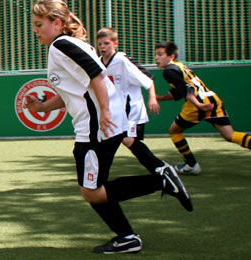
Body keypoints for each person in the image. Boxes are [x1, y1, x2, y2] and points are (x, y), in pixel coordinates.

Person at [25, 1, 192, 254]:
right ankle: (128, 236)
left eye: (39, 24)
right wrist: (42, 107)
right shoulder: (69, 45)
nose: (35, 30)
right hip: (102, 123)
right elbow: (76, 90)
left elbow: (96, 75)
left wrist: (103, 111)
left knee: (92, 191)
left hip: (97, 127)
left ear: (57, 23)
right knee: (92, 188)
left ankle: (161, 182)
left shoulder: (61, 45)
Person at [153, 41, 251, 174]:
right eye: (155, 54)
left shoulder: (168, 71)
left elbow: (186, 90)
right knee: (230, 135)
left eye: (160, 54)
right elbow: (180, 91)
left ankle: (191, 165)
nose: (157, 58)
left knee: (174, 131)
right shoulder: (180, 66)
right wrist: (161, 98)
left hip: (197, 105)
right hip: (213, 99)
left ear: (171, 56)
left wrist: (198, 105)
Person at [94, 27, 172, 175]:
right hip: (116, 111)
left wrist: (152, 98)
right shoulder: (98, 62)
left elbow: (148, 79)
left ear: (115, 44)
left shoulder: (122, 60)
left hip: (131, 110)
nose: (103, 47)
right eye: (100, 44)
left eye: (106, 43)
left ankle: (160, 167)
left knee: (126, 139)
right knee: (114, 138)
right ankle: (160, 168)